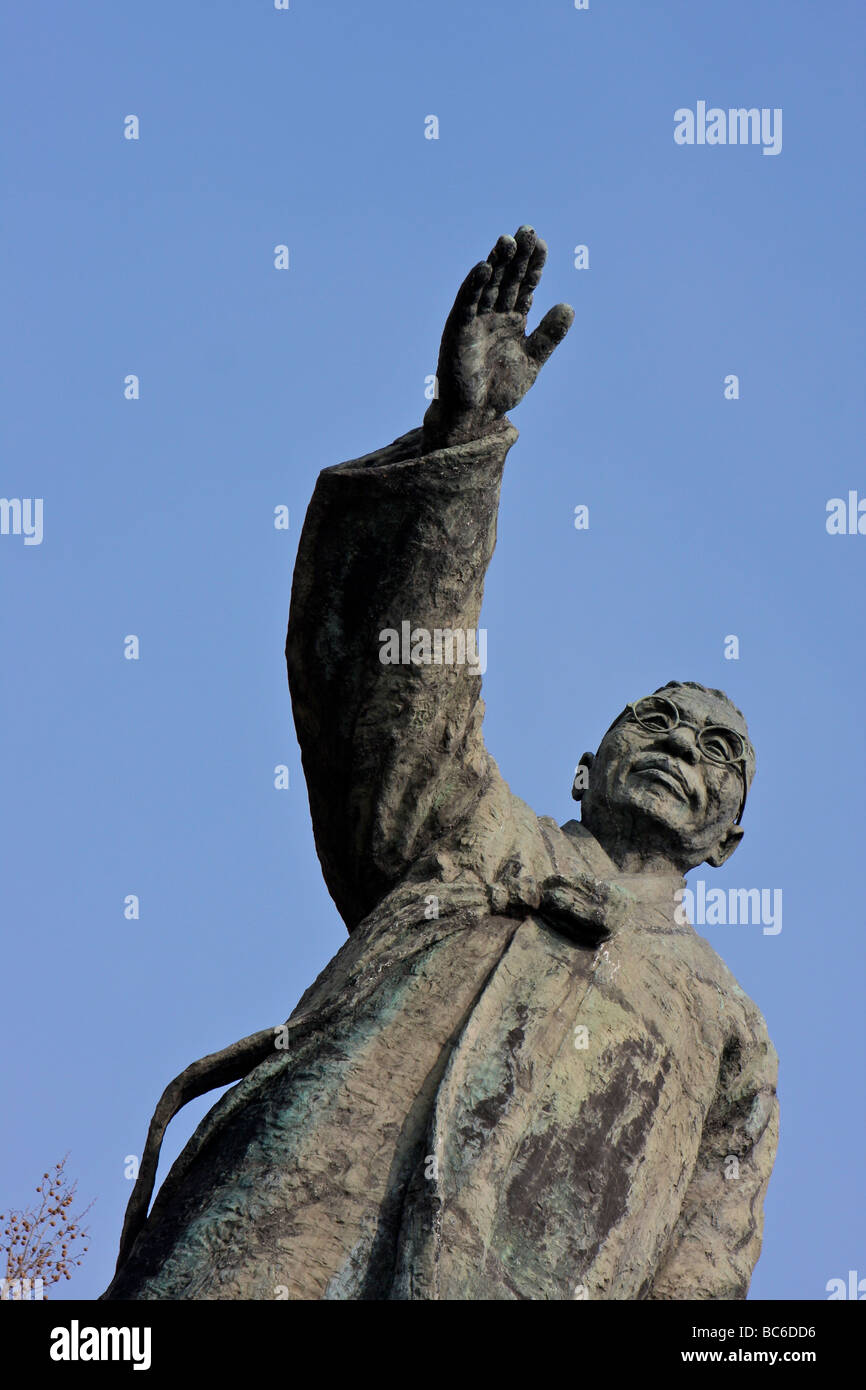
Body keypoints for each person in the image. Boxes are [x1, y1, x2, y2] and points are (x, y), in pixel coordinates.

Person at [104, 227, 778, 1301]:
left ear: (724, 840)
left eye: (715, 753)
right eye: (652, 720)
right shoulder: (473, 827)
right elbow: (403, 686)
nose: (675, 747)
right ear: (581, 767)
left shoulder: (727, 1034)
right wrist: (465, 431)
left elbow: (704, 1264)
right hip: (294, 1227)